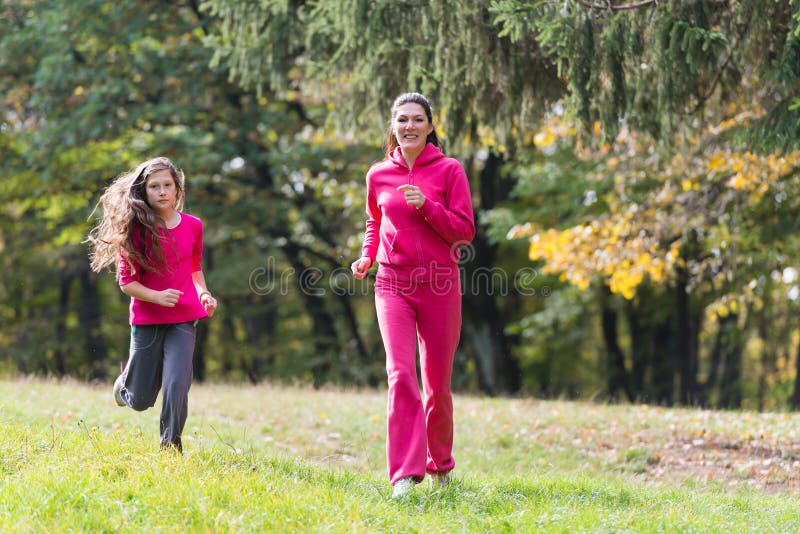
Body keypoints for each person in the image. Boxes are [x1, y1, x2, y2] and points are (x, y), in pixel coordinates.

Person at [351, 93, 475, 498]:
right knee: (401, 374)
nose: (409, 126)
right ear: (393, 125)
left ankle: (440, 466)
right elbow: (374, 220)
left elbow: (464, 231)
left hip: (440, 284)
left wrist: (427, 208)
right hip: (392, 283)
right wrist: (367, 257)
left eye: (417, 120)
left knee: (437, 385)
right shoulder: (377, 174)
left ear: (430, 125)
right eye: (402, 119)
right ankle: (404, 475)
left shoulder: (449, 170)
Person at [87, 156, 217, 453]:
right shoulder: (135, 230)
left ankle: (170, 448)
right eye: (154, 186)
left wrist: (203, 294)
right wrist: (157, 296)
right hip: (146, 319)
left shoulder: (194, 226)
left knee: (176, 383)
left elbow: (194, 267)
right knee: (141, 399)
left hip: (184, 317)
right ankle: (123, 386)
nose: (161, 191)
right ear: (143, 192)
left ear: (177, 189)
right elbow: (126, 282)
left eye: (167, 185)